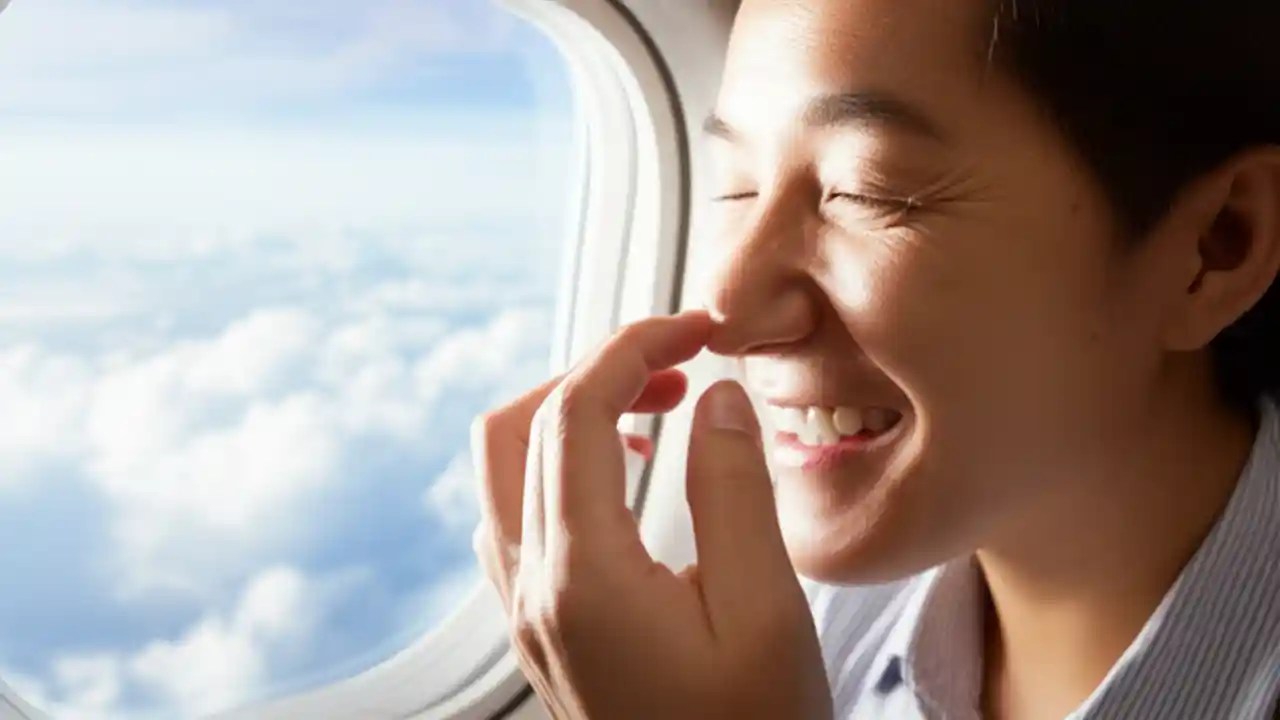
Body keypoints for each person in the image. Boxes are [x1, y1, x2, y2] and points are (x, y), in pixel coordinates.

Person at [470, 0, 1280, 717]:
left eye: (866, 189)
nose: (731, 312)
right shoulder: (789, 634)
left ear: (1215, 248)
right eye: (737, 188)